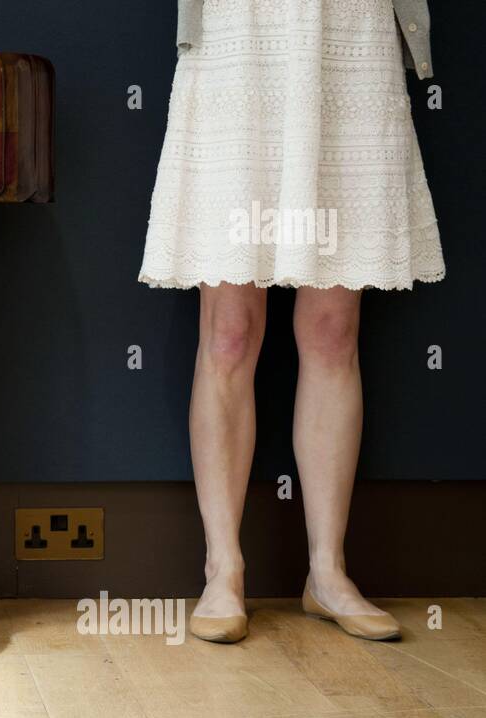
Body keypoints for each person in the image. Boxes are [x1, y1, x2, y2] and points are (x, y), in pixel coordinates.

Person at [139, 0, 444, 642]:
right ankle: (222, 568)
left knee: (334, 330)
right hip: (239, 35)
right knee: (228, 330)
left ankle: (328, 574)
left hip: (349, 36)